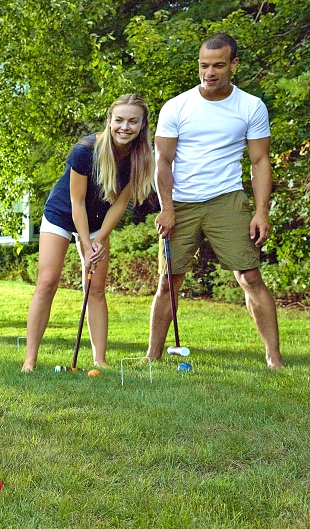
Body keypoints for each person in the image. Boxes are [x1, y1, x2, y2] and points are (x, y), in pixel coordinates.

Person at [145, 33, 284, 369]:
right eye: (204, 65)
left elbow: (260, 162)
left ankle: (274, 357)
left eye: (219, 65)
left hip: (227, 199)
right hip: (181, 202)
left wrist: (262, 211)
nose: (210, 72)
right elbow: (162, 161)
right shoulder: (177, 106)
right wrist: (166, 207)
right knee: (169, 281)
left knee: (249, 277)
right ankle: (152, 355)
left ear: (233, 64)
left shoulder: (251, 106)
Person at [22, 94, 155, 372]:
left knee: (95, 288)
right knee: (47, 281)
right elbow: (76, 201)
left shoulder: (141, 157)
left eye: (132, 121)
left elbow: (121, 202)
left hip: (100, 220)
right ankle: (30, 360)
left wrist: (99, 239)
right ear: (109, 120)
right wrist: (85, 243)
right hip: (62, 213)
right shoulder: (86, 149)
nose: (124, 127)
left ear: (142, 125)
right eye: (119, 120)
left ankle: (100, 360)